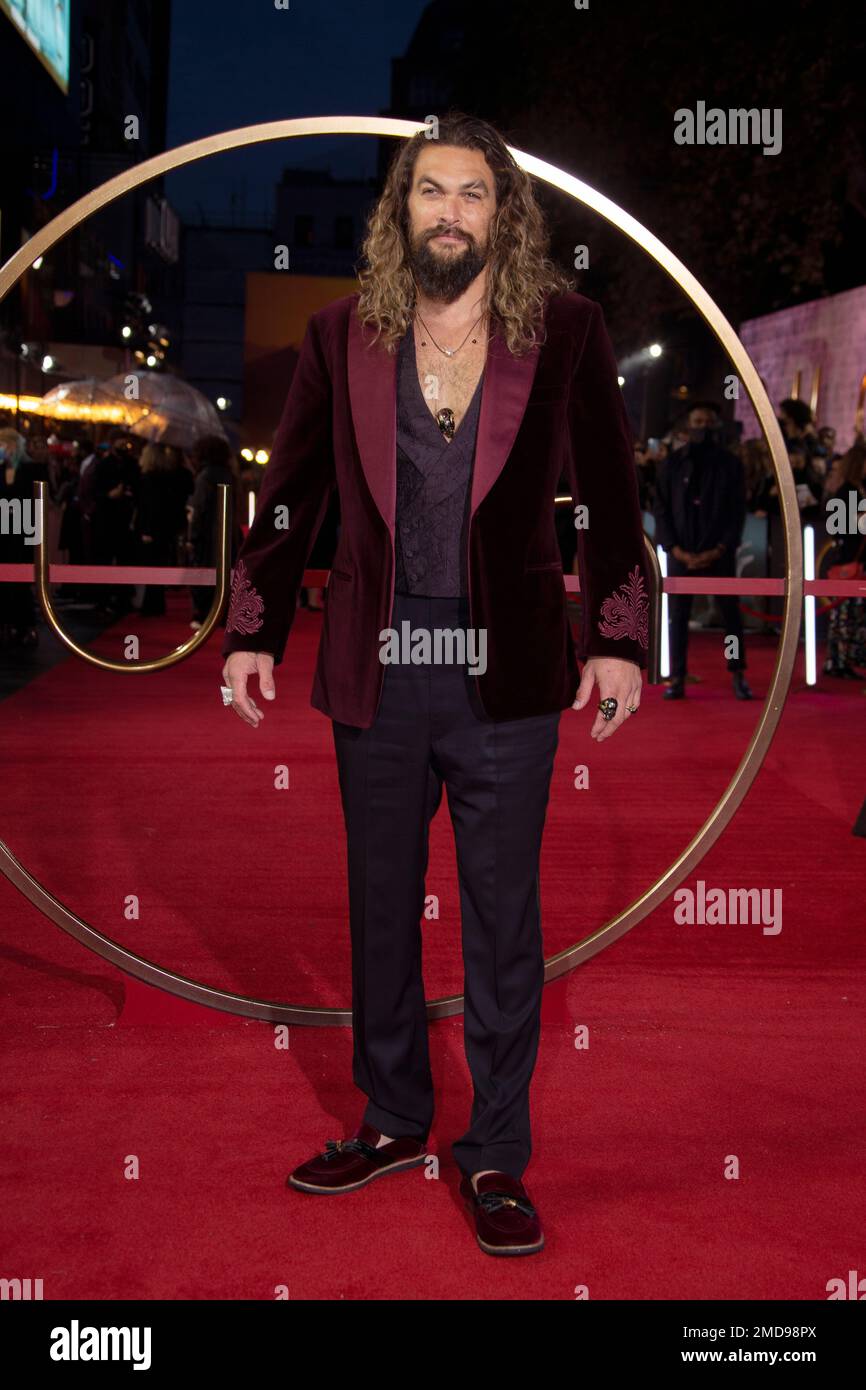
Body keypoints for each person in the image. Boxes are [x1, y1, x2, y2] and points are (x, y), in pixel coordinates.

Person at [220, 111, 650, 1257]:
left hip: (505, 676)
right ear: (398, 210)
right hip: (378, 667)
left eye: (471, 195)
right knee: (379, 908)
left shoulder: (564, 329)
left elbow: (608, 489)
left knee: (504, 925)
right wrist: (250, 626)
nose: (449, 212)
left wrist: (614, 635)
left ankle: (494, 1150)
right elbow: (290, 491)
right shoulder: (336, 333)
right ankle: (392, 1116)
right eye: (430, 192)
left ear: (502, 217)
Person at [653, 403, 753, 698]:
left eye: (709, 422)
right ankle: (677, 677)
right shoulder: (670, 465)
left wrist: (721, 547)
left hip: (718, 554)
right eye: (698, 421)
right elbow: (661, 510)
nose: (704, 427)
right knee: (677, 618)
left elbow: (737, 511)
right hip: (681, 553)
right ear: (687, 425)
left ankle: (738, 674)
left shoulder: (730, 464)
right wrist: (675, 549)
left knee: (731, 617)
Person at [186, 434, 243, 629]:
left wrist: (191, 536)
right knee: (226, 575)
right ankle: (223, 612)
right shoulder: (230, 474)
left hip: (208, 536)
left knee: (203, 573)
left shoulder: (205, 476)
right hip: (229, 533)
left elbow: (199, 510)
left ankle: (204, 614)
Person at [821, 437, 866, 678]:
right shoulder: (846, 491)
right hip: (848, 560)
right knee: (844, 615)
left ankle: (845, 660)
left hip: (855, 559)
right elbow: (838, 526)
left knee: (852, 615)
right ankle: (837, 661)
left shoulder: (857, 489)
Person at [0, 428, 40, 647]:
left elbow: (35, 503)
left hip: (22, 532)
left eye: (4, 445)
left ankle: (27, 625)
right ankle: (6, 623)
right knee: (3, 581)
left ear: (14, 446)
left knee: (21, 582)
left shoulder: (29, 470)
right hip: (2, 532)